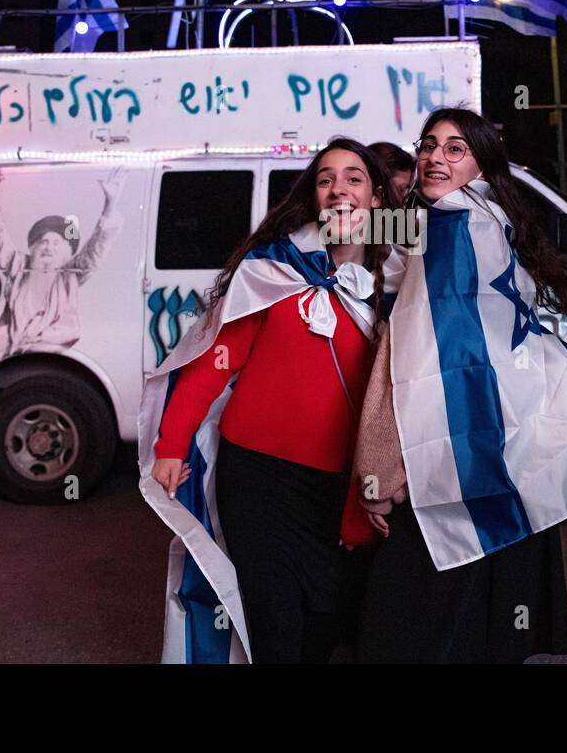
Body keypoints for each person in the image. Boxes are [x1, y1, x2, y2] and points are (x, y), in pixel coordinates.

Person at [353, 108, 567, 664]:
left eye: (454, 149)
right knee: (486, 626)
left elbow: (429, 368)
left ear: (481, 164)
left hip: (462, 462)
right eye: (429, 145)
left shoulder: (451, 228)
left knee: (405, 627)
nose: (434, 157)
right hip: (512, 449)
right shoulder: (484, 219)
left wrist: (383, 469)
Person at [146, 139, 394, 663]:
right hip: (255, 476)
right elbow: (217, 360)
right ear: (315, 197)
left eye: (354, 178)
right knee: (274, 617)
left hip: (339, 482)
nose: (339, 189)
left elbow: (401, 400)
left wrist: (369, 491)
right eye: (326, 179)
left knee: (331, 617)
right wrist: (171, 443)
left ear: (375, 198)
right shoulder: (272, 268)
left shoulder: (395, 287)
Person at [0, 166, 121, 359]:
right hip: (15, 332)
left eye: (56, 243)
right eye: (44, 242)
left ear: (67, 253)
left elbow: (96, 248)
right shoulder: (19, 265)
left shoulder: (71, 273)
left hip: (54, 335)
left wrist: (110, 203)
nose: (49, 247)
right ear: (33, 248)